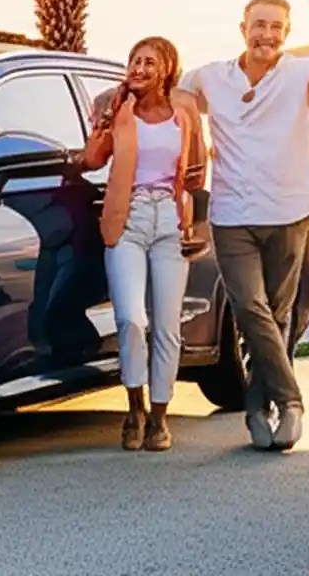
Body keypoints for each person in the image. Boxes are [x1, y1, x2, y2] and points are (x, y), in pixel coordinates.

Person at [178, 0, 309, 451]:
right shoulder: (211, 78)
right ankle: (290, 402)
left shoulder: (302, 73)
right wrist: (114, 100)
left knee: (276, 314)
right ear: (243, 29)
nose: (267, 35)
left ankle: (257, 407)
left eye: (276, 27)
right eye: (259, 25)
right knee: (250, 308)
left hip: (289, 212)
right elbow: (168, 97)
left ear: (287, 31)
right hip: (232, 214)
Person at [76, 36, 207, 452]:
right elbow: (92, 160)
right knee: (132, 318)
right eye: (135, 61)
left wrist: (194, 223)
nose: (140, 68)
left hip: (170, 220)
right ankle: (133, 404)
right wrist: (105, 117)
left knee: (168, 325)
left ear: (167, 69)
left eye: (150, 62)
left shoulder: (184, 108)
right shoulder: (116, 106)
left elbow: (197, 171)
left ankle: (159, 417)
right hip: (127, 219)